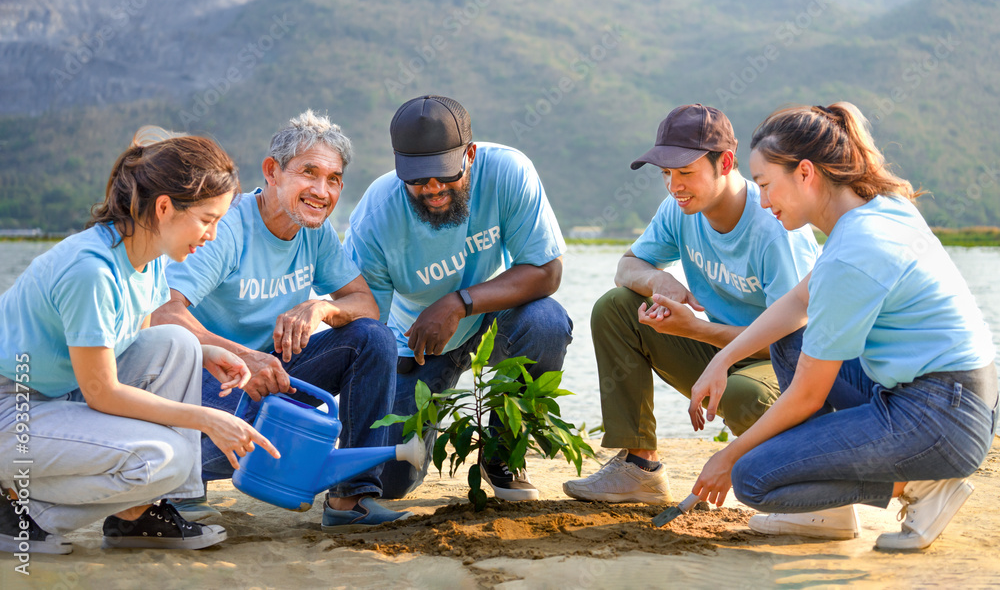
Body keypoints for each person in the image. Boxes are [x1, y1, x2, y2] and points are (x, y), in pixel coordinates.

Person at [687, 102, 998, 549]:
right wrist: (723, 358)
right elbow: (797, 302)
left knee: (751, 477)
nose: (762, 200)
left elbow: (808, 394)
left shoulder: (856, 249)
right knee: (789, 338)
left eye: (765, 184)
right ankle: (828, 515)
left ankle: (918, 486)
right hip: (956, 398)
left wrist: (728, 455)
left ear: (806, 173)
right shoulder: (878, 210)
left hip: (942, 417)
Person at [0, 130, 278, 554]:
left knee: (178, 343)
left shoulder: (146, 262)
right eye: (207, 219)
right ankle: (24, 517)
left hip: (56, 394)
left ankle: (138, 515)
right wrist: (205, 418)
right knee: (167, 457)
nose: (212, 235)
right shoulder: (91, 272)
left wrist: (205, 353)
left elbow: (135, 343)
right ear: (165, 207)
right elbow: (103, 393)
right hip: (13, 410)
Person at [152, 111, 406, 531]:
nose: (322, 191)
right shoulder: (229, 227)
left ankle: (352, 500)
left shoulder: (315, 231)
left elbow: (365, 303)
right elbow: (164, 314)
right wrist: (244, 358)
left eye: (334, 179)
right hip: (207, 380)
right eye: (309, 172)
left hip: (269, 375)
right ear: (272, 171)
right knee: (238, 427)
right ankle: (181, 479)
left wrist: (322, 307)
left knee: (373, 338)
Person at [563, 103, 819, 505]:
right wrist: (659, 279)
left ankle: (796, 474)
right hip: (721, 350)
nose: (673, 186)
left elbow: (797, 342)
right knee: (616, 307)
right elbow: (627, 266)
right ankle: (639, 468)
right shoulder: (679, 210)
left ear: (726, 163)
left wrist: (695, 329)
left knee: (743, 396)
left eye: (685, 172)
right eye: (666, 173)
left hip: (781, 364)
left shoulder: (775, 227)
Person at [344, 95, 572, 500]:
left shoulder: (508, 172)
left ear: (470, 154)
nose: (432, 189)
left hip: (488, 314)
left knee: (546, 322)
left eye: (445, 175)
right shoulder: (375, 218)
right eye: (416, 179)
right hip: (416, 341)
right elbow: (367, 322)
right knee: (389, 481)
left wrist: (457, 302)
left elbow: (547, 271)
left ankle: (500, 452)